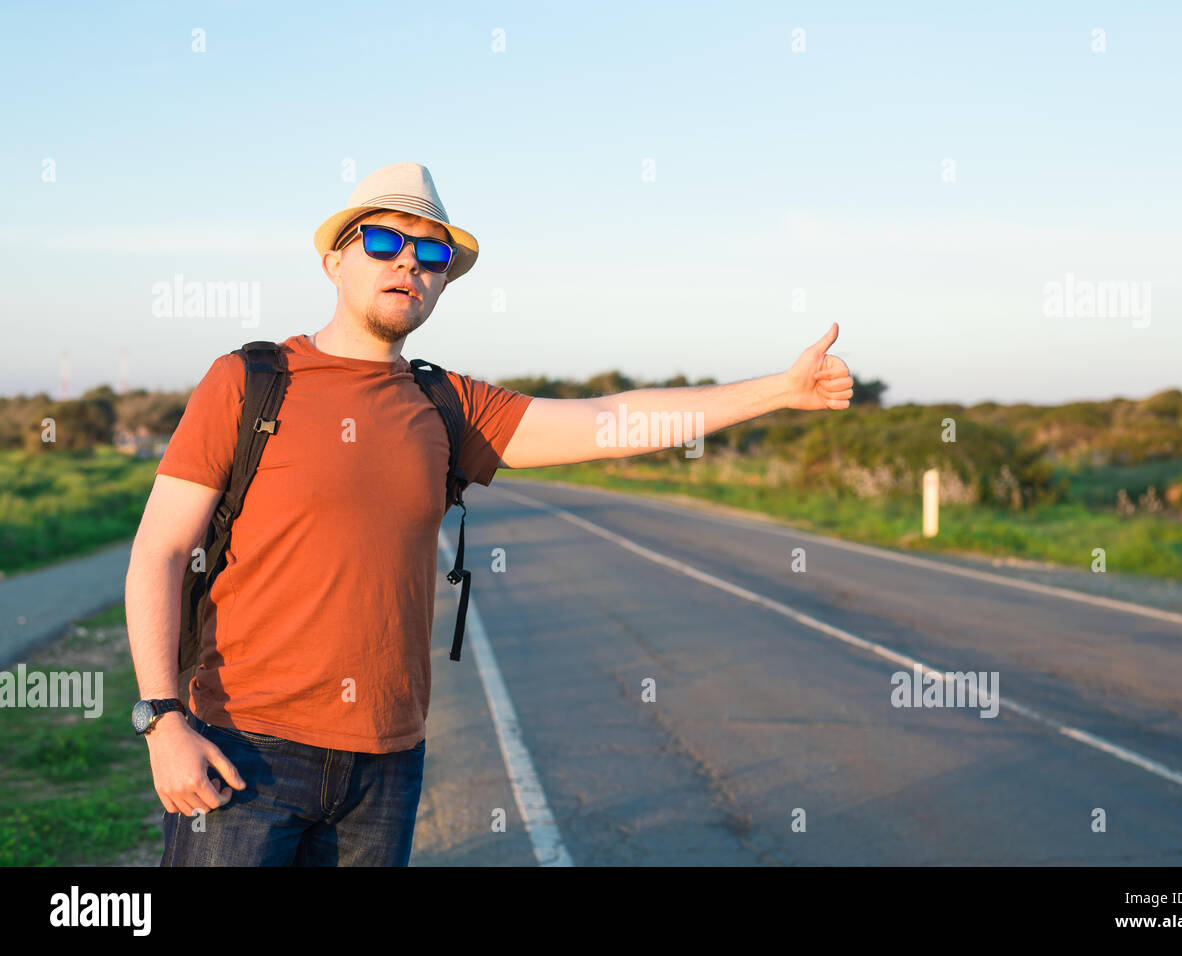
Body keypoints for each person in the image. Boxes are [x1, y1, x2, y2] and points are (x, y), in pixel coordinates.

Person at [123, 161, 855, 866]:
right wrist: (162, 719)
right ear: (334, 263)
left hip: (387, 762)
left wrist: (778, 391)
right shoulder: (250, 384)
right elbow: (159, 550)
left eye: (431, 253)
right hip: (244, 748)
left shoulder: (448, 407)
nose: (409, 262)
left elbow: (611, 421)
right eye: (384, 241)